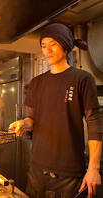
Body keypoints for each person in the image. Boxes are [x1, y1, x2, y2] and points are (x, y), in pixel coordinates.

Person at [9, 23, 102, 198]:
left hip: (68, 173)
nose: (47, 50)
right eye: (44, 46)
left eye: (53, 43)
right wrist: (23, 123)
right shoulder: (36, 83)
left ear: (65, 45)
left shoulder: (82, 79)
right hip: (36, 169)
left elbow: (94, 124)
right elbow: (32, 119)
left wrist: (94, 169)